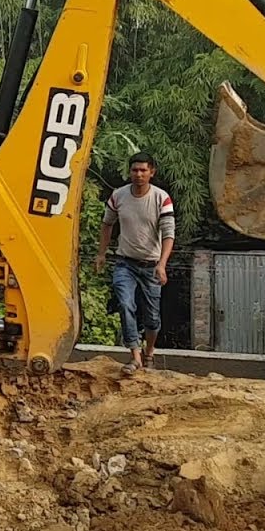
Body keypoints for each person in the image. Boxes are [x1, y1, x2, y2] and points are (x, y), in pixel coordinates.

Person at [95, 152, 176, 375]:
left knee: (152, 316)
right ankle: (135, 356)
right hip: (125, 262)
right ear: (129, 172)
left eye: (143, 170)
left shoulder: (162, 199)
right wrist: (102, 253)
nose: (139, 174)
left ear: (152, 172)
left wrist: (162, 264)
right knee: (125, 304)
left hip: (151, 264)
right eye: (134, 170)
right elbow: (107, 225)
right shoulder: (118, 196)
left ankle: (149, 352)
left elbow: (169, 234)